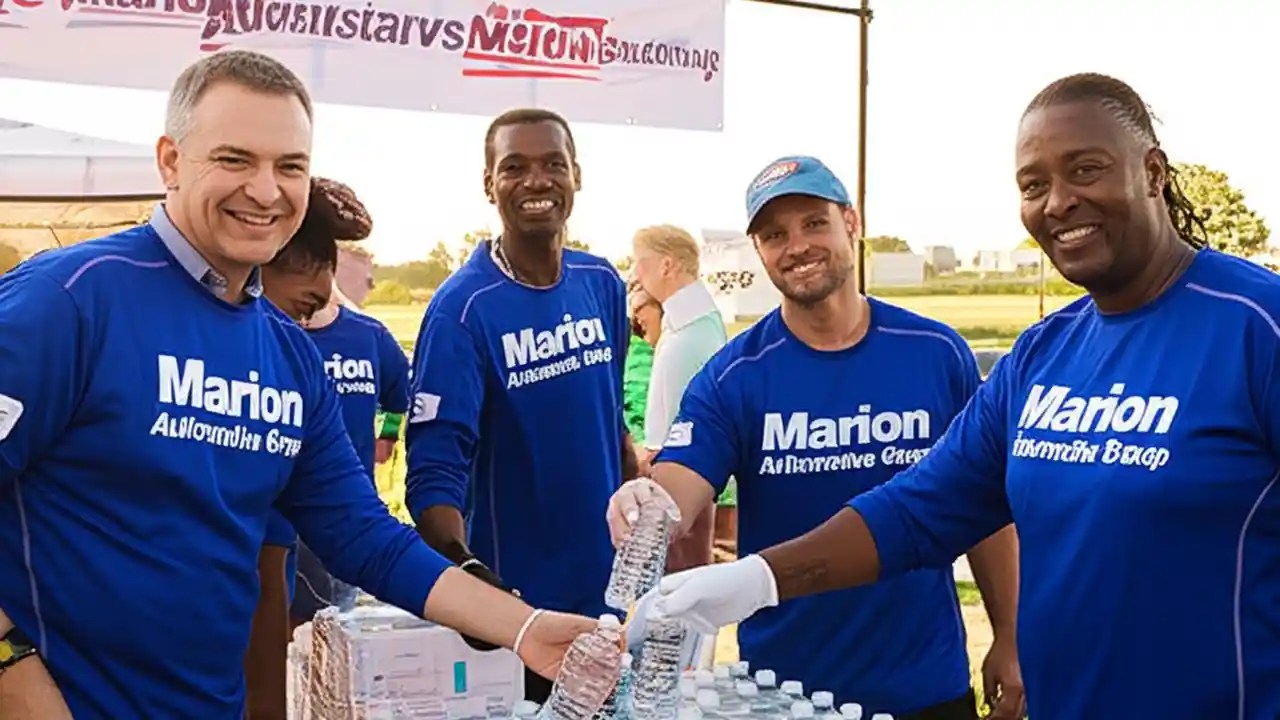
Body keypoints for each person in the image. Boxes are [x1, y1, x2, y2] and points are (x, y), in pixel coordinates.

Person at [630, 73, 1280, 719]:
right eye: (1033, 185)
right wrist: (754, 580)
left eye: (1086, 170)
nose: (1058, 202)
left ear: (1153, 172)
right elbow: (921, 510)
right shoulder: (1042, 354)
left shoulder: (1254, 325)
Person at [0, 50, 594, 719]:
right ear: (170, 161)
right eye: (234, 160)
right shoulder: (69, 301)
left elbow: (365, 536)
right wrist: (11, 670)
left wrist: (521, 626)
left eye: (290, 166)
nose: (265, 190)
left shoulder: (288, 355)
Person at [609, 156, 1021, 719]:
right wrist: (644, 500)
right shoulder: (737, 373)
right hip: (785, 695)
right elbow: (678, 487)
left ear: (852, 223)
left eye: (814, 223)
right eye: (775, 234)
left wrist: (1009, 633)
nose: (796, 245)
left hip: (923, 685)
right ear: (759, 251)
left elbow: (984, 512)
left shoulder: (934, 352)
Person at [405, 107, 639, 701]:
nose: (537, 181)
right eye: (515, 167)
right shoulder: (463, 310)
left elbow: (608, 422)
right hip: (522, 620)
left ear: (576, 176)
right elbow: (433, 474)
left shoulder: (601, 284)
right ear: (489, 184)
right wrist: (472, 579)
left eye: (552, 165)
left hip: (611, 607)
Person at [630, 224, 727, 573]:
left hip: (681, 480)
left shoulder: (689, 332)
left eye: (641, 263)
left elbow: (675, 425)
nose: (635, 274)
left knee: (682, 579)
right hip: (686, 474)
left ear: (667, 265)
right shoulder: (691, 320)